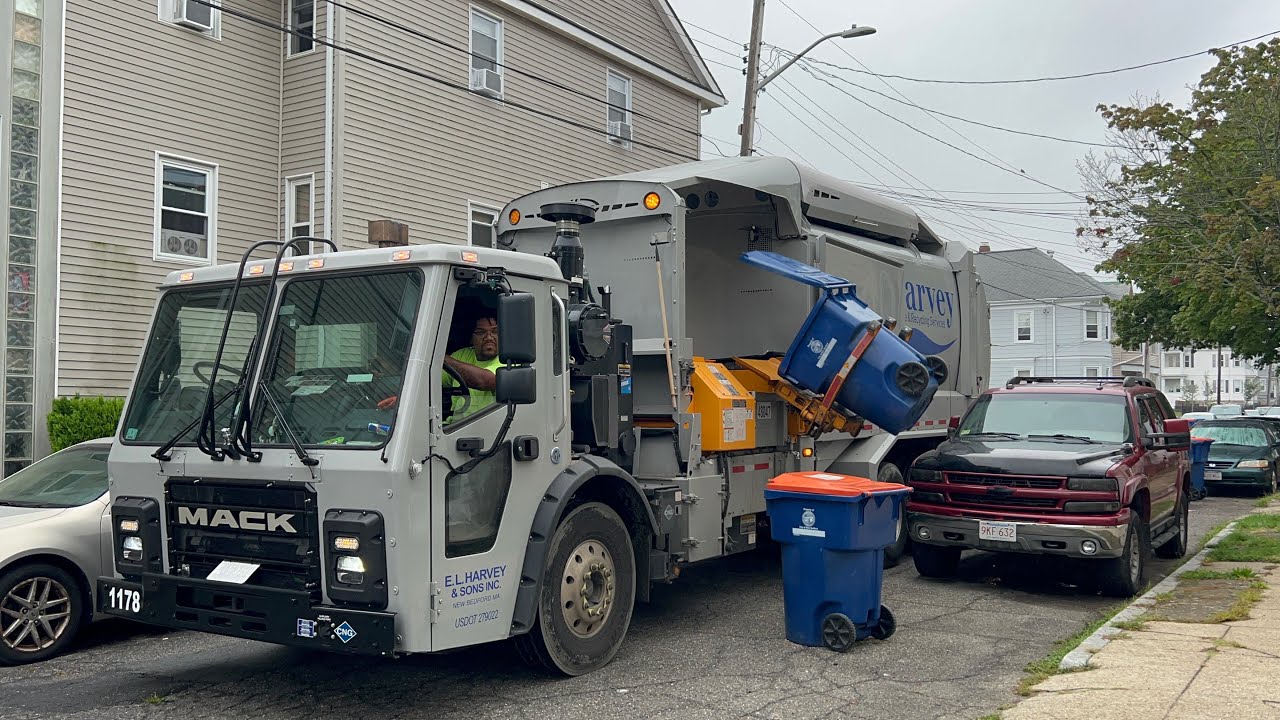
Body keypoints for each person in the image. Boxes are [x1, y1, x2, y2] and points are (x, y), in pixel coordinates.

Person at [375, 315, 503, 418]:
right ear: (470, 338)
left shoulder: (508, 359)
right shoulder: (461, 355)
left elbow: (485, 381)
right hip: (455, 428)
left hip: (492, 433)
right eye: (480, 332)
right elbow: (429, 382)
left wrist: (437, 355)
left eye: (495, 332)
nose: (489, 337)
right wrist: (403, 399)